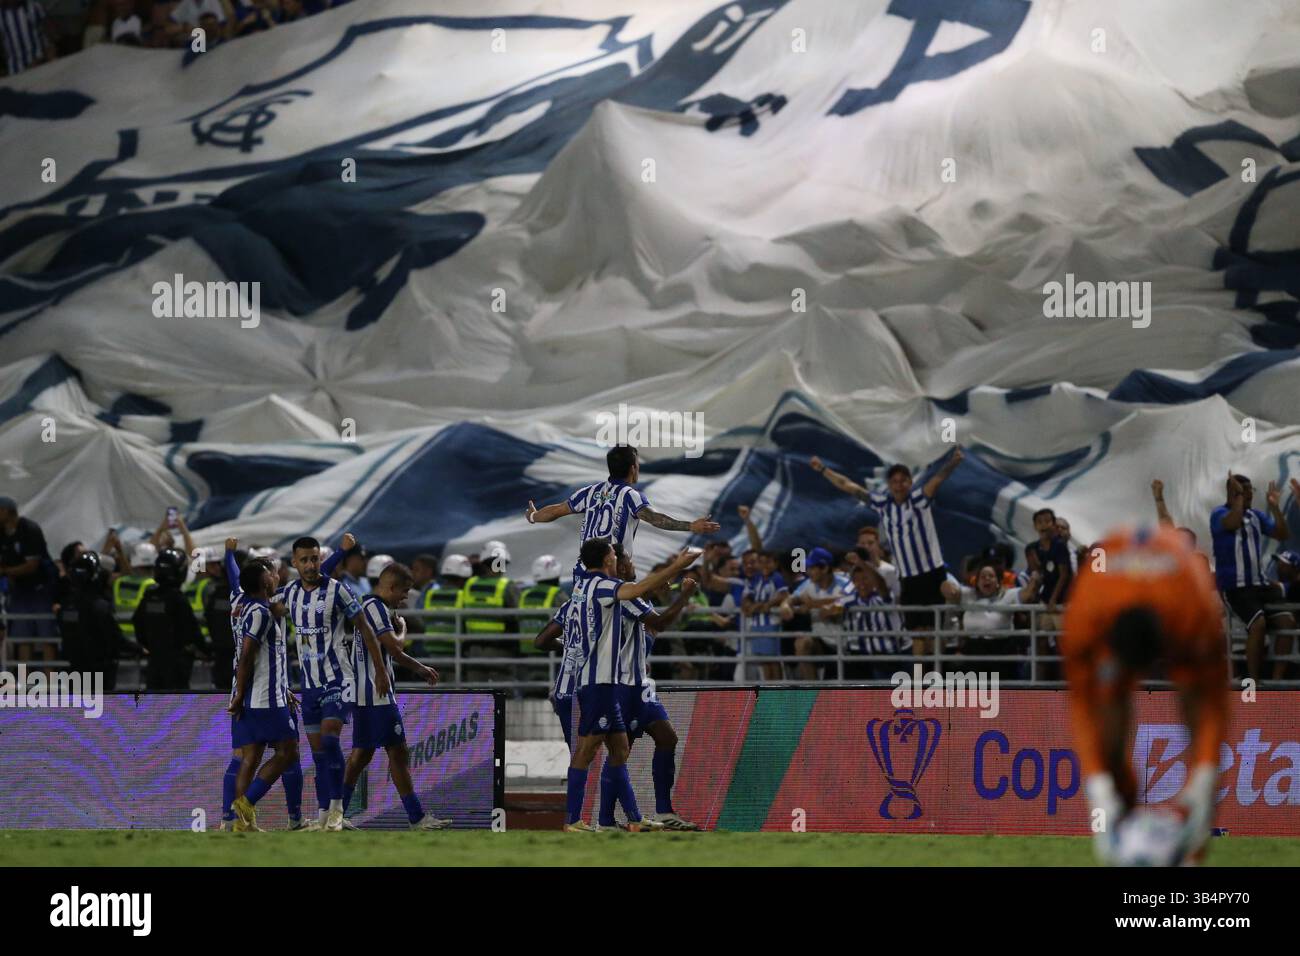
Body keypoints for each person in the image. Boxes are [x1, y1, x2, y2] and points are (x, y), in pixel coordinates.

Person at [1062, 526, 1229, 865]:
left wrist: (1205, 776)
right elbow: (1082, 706)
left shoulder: (1196, 609)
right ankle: (1123, 812)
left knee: (1194, 708)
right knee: (1109, 726)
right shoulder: (1084, 616)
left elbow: (1213, 703)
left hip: (1178, 593)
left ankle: (1190, 848)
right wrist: (1098, 785)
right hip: (1113, 598)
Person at [561, 538, 699, 832]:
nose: (630, 562)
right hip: (605, 681)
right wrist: (677, 568)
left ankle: (633, 818)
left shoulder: (581, 588)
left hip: (609, 681)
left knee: (621, 748)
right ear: (612, 561)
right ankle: (575, 819)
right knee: (588, 749)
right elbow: (649, 613)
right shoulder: (607, 588)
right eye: (618, 555)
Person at [274, 535, 387, 831]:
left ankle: (337, 809)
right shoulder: (288, 594)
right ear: (295, 563)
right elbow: (260, 603)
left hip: (338, 680)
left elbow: (364, 627)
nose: (312, 565)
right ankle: (324, 814)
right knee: (319, 755)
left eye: (316, 558)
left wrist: (380, 670)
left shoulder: (338, 590)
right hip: (308, 686)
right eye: (305, 560)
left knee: (329, 740)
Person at [810, 448, 964, 658]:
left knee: (934, 631)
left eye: (903, 481)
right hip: (908, 578)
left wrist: (953, 463)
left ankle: (938, 677)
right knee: (917, 635)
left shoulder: (919, 499)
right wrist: (824, 470)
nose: (899, 485)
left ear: (910, 483)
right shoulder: (882, 504)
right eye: (894, 481)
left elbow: (936, 480)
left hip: (932, 573)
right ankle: (919, 685)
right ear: (889, 485)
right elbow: (849, 486)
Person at [341, 563, 452, 830]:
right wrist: (403, 629)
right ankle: (417, 818)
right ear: (390, 587)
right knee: (398, 752)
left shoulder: (369, 606)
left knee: (362, 755)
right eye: (403, 593)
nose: (404, 599)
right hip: (376, 694)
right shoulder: (376, 608)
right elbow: (395, 646)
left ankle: (335, 813)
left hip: (366, 693)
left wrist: (420, 668)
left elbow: (393, 654)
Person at [524, 445, 720, 578]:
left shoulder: (589, 492)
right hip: (613, 570)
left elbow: (556, 511)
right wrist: (690, 526)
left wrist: (533, 516)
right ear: (633, 468)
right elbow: (655, 519)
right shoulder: (630, 495)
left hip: (584, 571)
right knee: (624, 627)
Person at [228, 559, 301, 834]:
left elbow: (267, 659)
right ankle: (246, 804)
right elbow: (247, 656)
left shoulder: (250, 608)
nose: (276, 575)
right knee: (288, 751)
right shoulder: (260, 613)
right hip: (265, 699)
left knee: (252, 756)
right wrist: (240, 694)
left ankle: (243, 824)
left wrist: (283, 688)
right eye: (272, 573)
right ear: (265, 582)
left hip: (263, 694)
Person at [1210, 474, 1296, 680]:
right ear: (1232, 493)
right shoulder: (1219, 514)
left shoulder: (1256, 516)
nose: (1249, 495)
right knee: (1258, 625)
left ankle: (1276, 680)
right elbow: (1232, 524)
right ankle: (1252, 681)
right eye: (1243, 491)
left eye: (1250, 491)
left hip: (1260, 584)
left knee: (1288, 622)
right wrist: (1237, 498)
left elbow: (1282, 534)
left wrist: (1274, 507)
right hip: (1236, 587)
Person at [945, 562, 1040, 680]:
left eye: (991, 576)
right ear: (977, 581)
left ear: (998, 581)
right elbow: (948, 591)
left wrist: (1035, 579)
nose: (987, 579)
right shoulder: (968, 594)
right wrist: (949, 588)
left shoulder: (1008, 595)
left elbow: (1027, 594)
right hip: (973, 651)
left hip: (1001, 651)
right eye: (983, 577)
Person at [132, 548, 204, 689]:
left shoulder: (149, 596)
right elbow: (192, 630)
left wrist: (149, 645)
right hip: (176, 664)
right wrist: (205, 649)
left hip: (154, 661)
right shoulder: (178, 599)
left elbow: (137, 621)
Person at [57, 551, 127, 688]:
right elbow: (114, 638)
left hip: (75, 670)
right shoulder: (99, 606)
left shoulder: (66, 607)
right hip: (99, 672)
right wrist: (137, 649)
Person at [0, 496, 57, 661]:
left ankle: (50, 682)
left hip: (40, 589)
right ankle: (25, 682)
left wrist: (5, 572)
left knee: (48, 638)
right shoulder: (2, 533)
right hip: (19, 590)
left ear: (5, 511)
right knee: (23, 638)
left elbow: (32, 565)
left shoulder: (29, 529)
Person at [789, 547, 850, 680]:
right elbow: (792, 598)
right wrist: (785, 606)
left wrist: (813, 604)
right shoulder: (809, 584)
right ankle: (812, 690)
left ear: (825, 568)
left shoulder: (845, 583)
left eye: (812, 568)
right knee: (802, 643)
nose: (808, 572)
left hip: (846, 643)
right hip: (822, 641)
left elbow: (849, 599)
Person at [839, 561, 908, 680]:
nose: (862, 584)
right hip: (867, 657)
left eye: (865, 579)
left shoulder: (882, 598)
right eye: (857, 580)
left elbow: (882, 586)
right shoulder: (850, 600)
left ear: (872, 580)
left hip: (891, 655)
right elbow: (830, 607)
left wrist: (865, 564)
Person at [1026, 507, 1073, 679]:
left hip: (1060, 602)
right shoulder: (1033, 549)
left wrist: (1053, 600)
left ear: (1053, 524)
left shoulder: (1060, 546)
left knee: (1065, 643)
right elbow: (1037, 574)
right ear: (1035, 526)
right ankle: (1040, 683)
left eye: (1047, 521)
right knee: (1041, 641)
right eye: (1039, 522)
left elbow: (1064, 575)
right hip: (1045, 602)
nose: (1043, 525)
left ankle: (1069, 682)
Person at [741, 549, 788, 681]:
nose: (765, 565)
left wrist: (768, 604)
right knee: (763, 661)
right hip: (756, 625)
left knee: (773, 661)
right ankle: (767, 691)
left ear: (775, 564)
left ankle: (778, 693)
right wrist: (750, 606)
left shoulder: (777, 578)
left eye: (768, 562)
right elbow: (747, 597)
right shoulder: (755, 579)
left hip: (772, 624)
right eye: (761, 562)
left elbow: (783, 594)